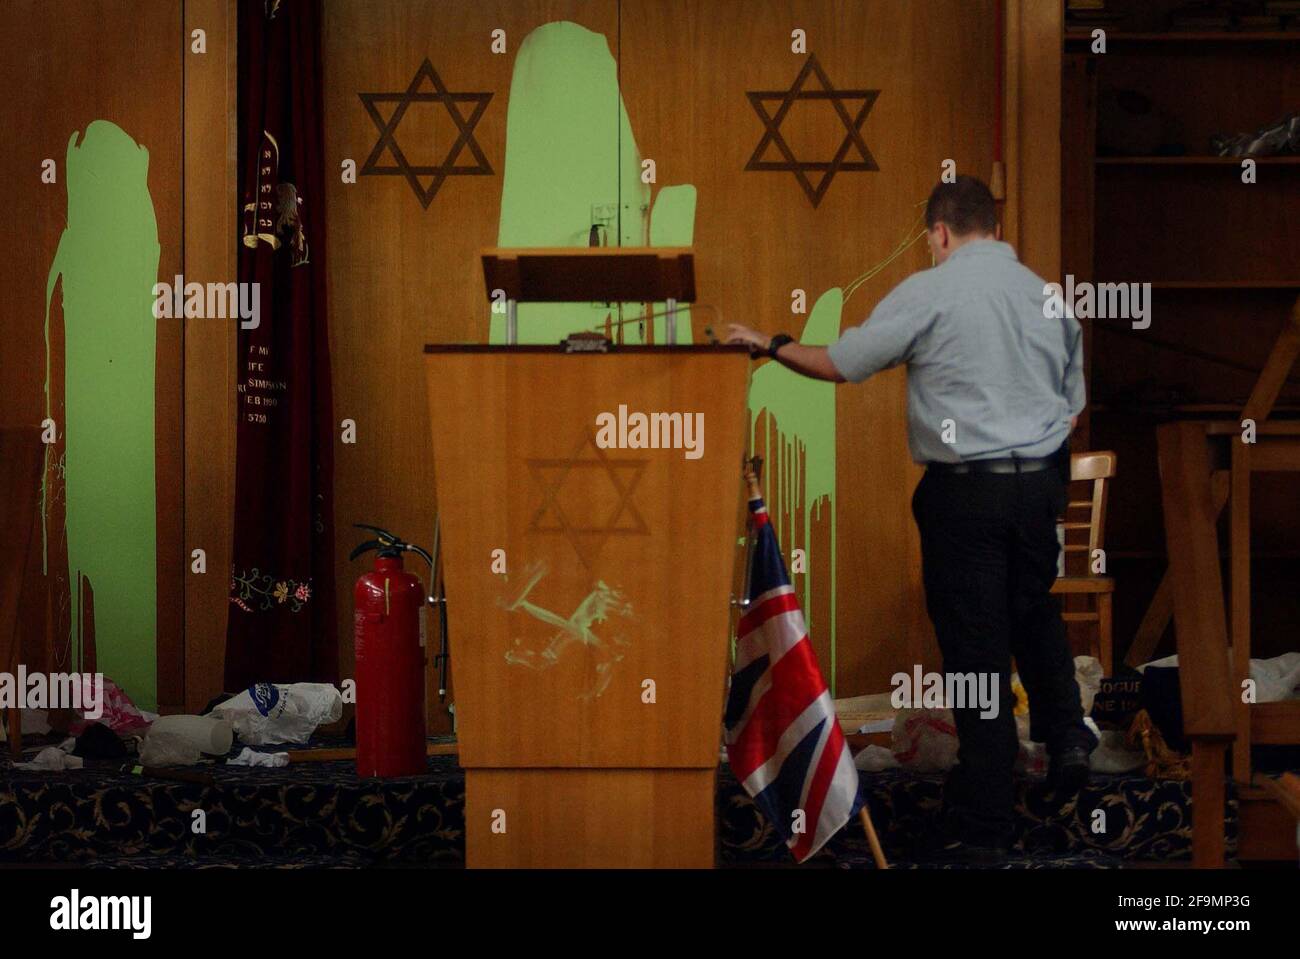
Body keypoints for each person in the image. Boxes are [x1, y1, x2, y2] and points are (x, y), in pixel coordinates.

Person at [726, 175, 1096, 863]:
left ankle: (984, 828)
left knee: (976, 652)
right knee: (1031, 603)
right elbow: (1073, 405)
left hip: (967, 495)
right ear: (992, 226)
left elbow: (841, 364)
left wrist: (769, 342)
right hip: (1042, 485)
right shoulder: (1050, 297)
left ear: (940, 233)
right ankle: (1068, 732)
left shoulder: (932, 290)